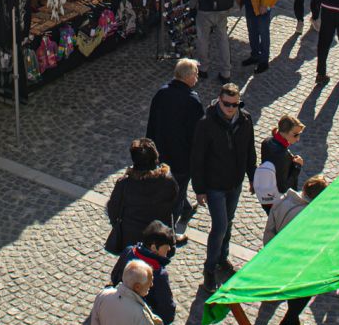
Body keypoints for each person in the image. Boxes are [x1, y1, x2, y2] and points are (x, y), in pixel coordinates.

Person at [189, 83, 255, 290]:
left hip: (235, 182)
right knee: (219, 226)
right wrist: (199, 189)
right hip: (215, 185)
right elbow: (197, 158)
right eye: (227, 104)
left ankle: (222, 258)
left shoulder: (245, 120)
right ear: (219, 100)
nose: (231, 108)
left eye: (235, 104)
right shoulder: (206, 124)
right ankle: (209, 268)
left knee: (229, 221)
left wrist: (253, 176)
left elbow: (249, 150)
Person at [264, 175, 330, 325]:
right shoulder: (307, 215)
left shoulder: (282, 201)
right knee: (304, 291)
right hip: (294, 261)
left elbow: (270, 229)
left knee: (295, 293)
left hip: (276, 255)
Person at [146, 59, 203, 228]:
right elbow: (198, 134)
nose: (197, 78)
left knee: (174, 188)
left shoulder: (161, 93)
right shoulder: (192, 101)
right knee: (176, 193)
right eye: (196, 74)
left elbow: (152, 123)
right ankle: (168, 232)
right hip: (181, 158)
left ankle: (186, 209)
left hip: (161, 153)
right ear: (188, 76)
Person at [106, 139, 179, 252]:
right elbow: (174, 203)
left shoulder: (124, 184)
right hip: (158, 238)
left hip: (130, 238)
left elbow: (113, 209)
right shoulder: (168, 181)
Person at [112, 222, 179, 325]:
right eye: (166, 246)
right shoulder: (158, 274)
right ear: (153, 247)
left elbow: (115, 276)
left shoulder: (129, 251)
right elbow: (167, 312)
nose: (169, 249)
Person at [251, 115, 303, 214]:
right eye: (295, 135)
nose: (298, 139)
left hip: (266, 195)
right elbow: (284, 188)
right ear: (284, 132)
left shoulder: (267, 142)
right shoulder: (282, 155)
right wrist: (297, 166)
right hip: (277, 203)